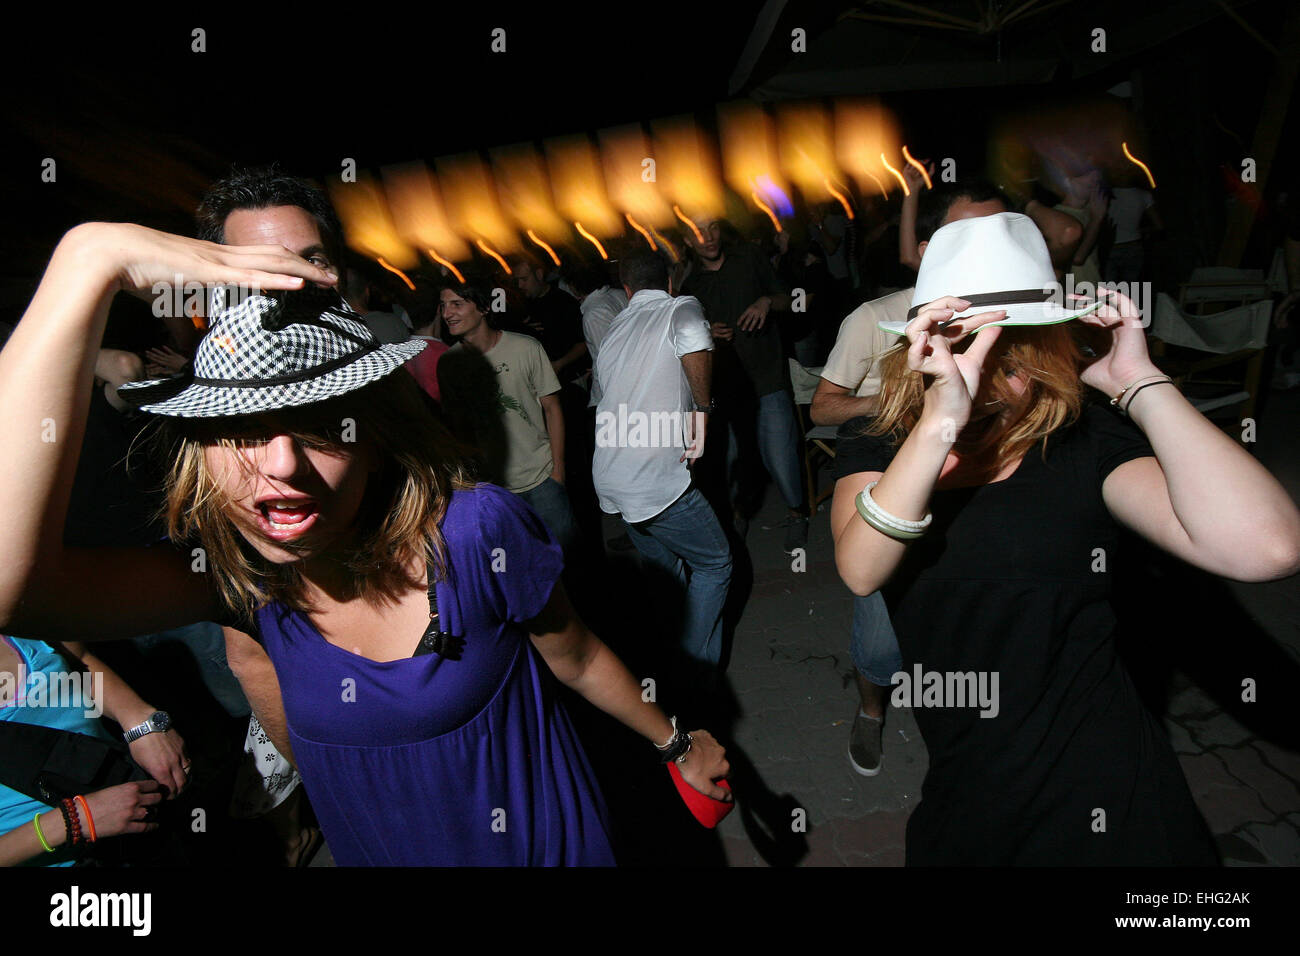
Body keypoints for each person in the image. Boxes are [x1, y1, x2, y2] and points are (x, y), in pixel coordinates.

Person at [0, 222, 731, 866]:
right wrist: (86, 262)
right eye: (242, 428)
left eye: (319, 425)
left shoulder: (474, 530)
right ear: (200, 451)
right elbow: (12, 588)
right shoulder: (235, 579)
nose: (282, 465)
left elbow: (575, 655)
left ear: (375, 443)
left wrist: (676, 742)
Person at [831, 211, 1300, 865]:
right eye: (965, 348)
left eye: (1015, 360)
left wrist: (1137, 383)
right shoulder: (879, 447)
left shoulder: (1081, 444)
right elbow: (860, 567)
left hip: (1107, 768)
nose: (987, 381)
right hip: (972, 774)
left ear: (1050, 356)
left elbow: (1267, 547)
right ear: (922, 347)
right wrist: (940, 418)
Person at [813, 179, 1007, 777]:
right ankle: (871, 709)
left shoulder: (1021, 314)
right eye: (970, 234)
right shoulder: (876, 319)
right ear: (926, 250)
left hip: (981, 489)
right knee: (880, 636)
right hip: (897, 484)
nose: (991, 247)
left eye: (1003, 231)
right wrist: (901, 402)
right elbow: (823, 408)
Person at [592, 250, 732, 693]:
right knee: (715, 563)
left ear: (627, 289)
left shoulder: (614, 329)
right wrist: (703, 410)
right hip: (652, 479)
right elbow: (694, 337)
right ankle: (691, 671)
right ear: (670, 282)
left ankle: (668, 650)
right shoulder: (681, 307)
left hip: (611, 474)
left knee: (666, 571)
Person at [680, 216, 808, 552]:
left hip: (767, 378)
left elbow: (789, 299)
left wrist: (766, 301)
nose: (708, 237)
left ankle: (798, 513)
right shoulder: (690, 286)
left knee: (780, 456)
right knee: (732, 461)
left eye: (712, 228)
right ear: (687, 240)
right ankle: (739, 515)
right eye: (698, 232)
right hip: (726, 386)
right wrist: (706, 332)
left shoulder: (749, 258)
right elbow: (685, 337)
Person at [0, 635, 183, 866]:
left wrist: (139, 720)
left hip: (140, 816)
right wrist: (74, 820)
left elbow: (80, 661)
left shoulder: (12, 612)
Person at [436, 281, 581, 561]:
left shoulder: (525, 347)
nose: (447, 313)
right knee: (520, 565)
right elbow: (458, 427)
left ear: (484, 308)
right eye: (443, 306)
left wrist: (558, 471)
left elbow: (552, 408)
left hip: (542, 479)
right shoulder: (449, 363)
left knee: (568, 560)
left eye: (456, 304)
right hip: (494, 488)